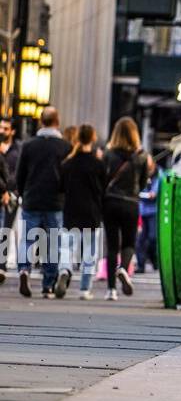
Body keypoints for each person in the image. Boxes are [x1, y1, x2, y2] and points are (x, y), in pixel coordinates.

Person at [14, 107, 72, 298]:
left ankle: (24, 269)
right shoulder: (65, 147)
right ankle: (48, 284)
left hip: (32, 198)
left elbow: (20, 174)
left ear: (41, 121)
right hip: (55, 201)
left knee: (28, 239)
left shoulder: (29, 145)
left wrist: (23, 193)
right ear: (57, 121)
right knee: (52, 243)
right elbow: (67, 177)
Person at [102, 118, 153, 299]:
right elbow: (143, 183)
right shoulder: (141, 156)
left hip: (110, 202)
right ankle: (123, 268)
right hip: (131, 203)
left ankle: (111, 290)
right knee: (129, 242)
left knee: (111, 245)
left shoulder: (108, 154)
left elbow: (103, 179)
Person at [58, 124, 106, 300]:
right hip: (92, 213)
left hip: (71, 211)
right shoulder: (98, 165)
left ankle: (64, 269)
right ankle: (85, 289)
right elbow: (103, 190)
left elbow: (61, 188)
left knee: (67, 248)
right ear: (93, 138)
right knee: (89, 253)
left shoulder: (67, 164)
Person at [0, 116, 19, 283]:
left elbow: (17, 173)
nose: (2, 131)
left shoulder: (17, 150)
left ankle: (1, 266)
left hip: (11, 197)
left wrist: (8, 190)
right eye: (1, 127)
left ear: (12, 131)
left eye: (6, 128)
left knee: (5, 230)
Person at [136, 166, 161, 273]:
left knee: (152, 238)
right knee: (141, 240)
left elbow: (154, 193)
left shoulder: (159, 176)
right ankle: (141, 265)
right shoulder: (142, 174)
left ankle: (155, 261)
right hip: (143, 211)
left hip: (154, 211)